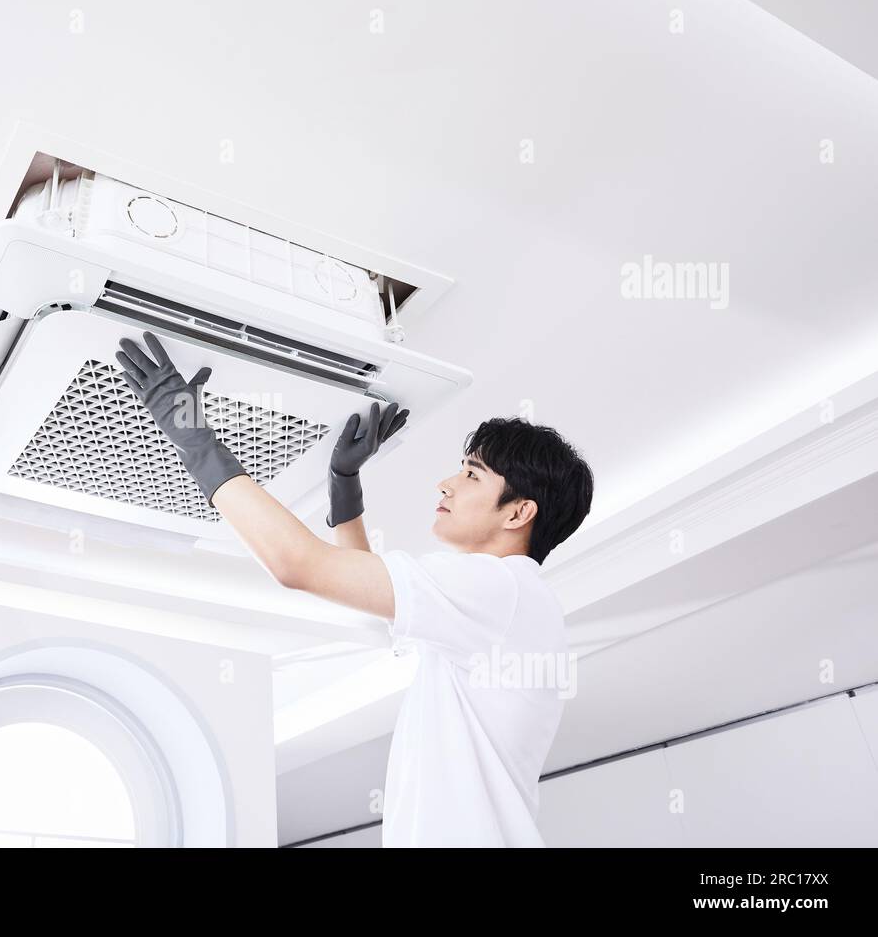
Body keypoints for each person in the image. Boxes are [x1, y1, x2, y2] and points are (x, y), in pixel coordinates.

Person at [116, 331, 594, 847]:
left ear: (520, 512)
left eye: (472, 476)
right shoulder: (494, 606)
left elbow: (297, 565)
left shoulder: (500, 588)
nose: (446, 484)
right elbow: (369, 601)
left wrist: (197, 442)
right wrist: (344, 486)